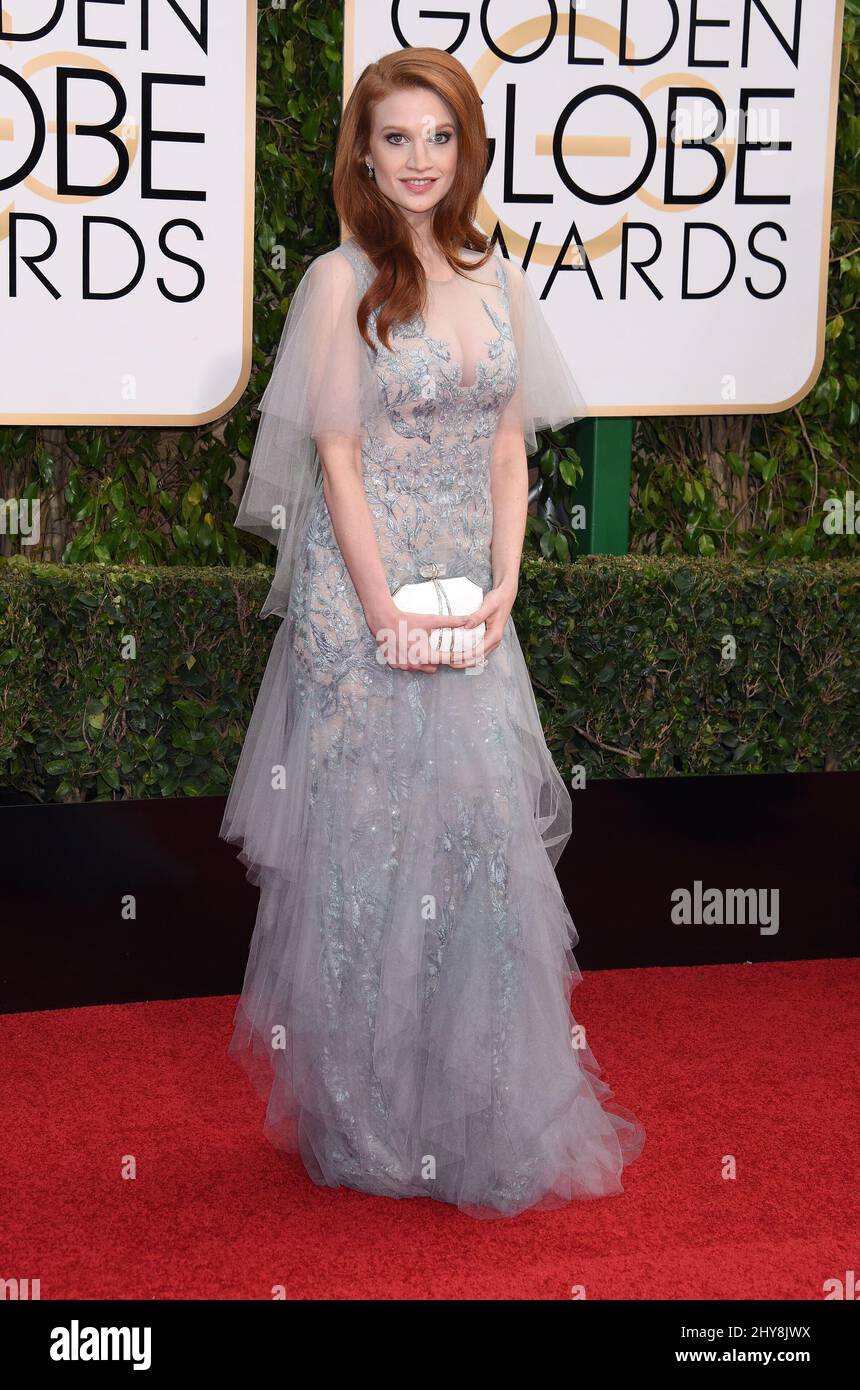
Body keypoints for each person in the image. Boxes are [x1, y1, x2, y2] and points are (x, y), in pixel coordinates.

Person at [220, 46, 646, 1218]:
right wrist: (381, 612)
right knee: (366, 856)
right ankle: (364, 1114)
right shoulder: (335, 280)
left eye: (439, 137)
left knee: (474, 847)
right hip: (363, 607)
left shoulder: (493, 275)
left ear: (467, 150)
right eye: (395, 137)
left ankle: (477, 1107)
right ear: (362, 150)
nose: (417, 159)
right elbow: (338, 462)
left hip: (469, 599)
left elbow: (509, 448)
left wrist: (505, 585)